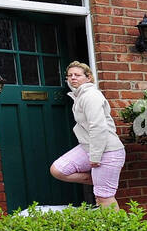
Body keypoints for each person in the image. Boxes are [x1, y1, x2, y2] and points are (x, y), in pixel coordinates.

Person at [50, 61, 126, 208]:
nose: (72, 78)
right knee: (58, 169)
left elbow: (97, 126)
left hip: (108, 150)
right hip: (89, 146)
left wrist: (95, 156)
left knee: (104, 198)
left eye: (77, 75)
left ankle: (118, 230)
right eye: (69, 75)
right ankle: (99, 179)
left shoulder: (91, 95)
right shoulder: (79, 96)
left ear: (89, 77)